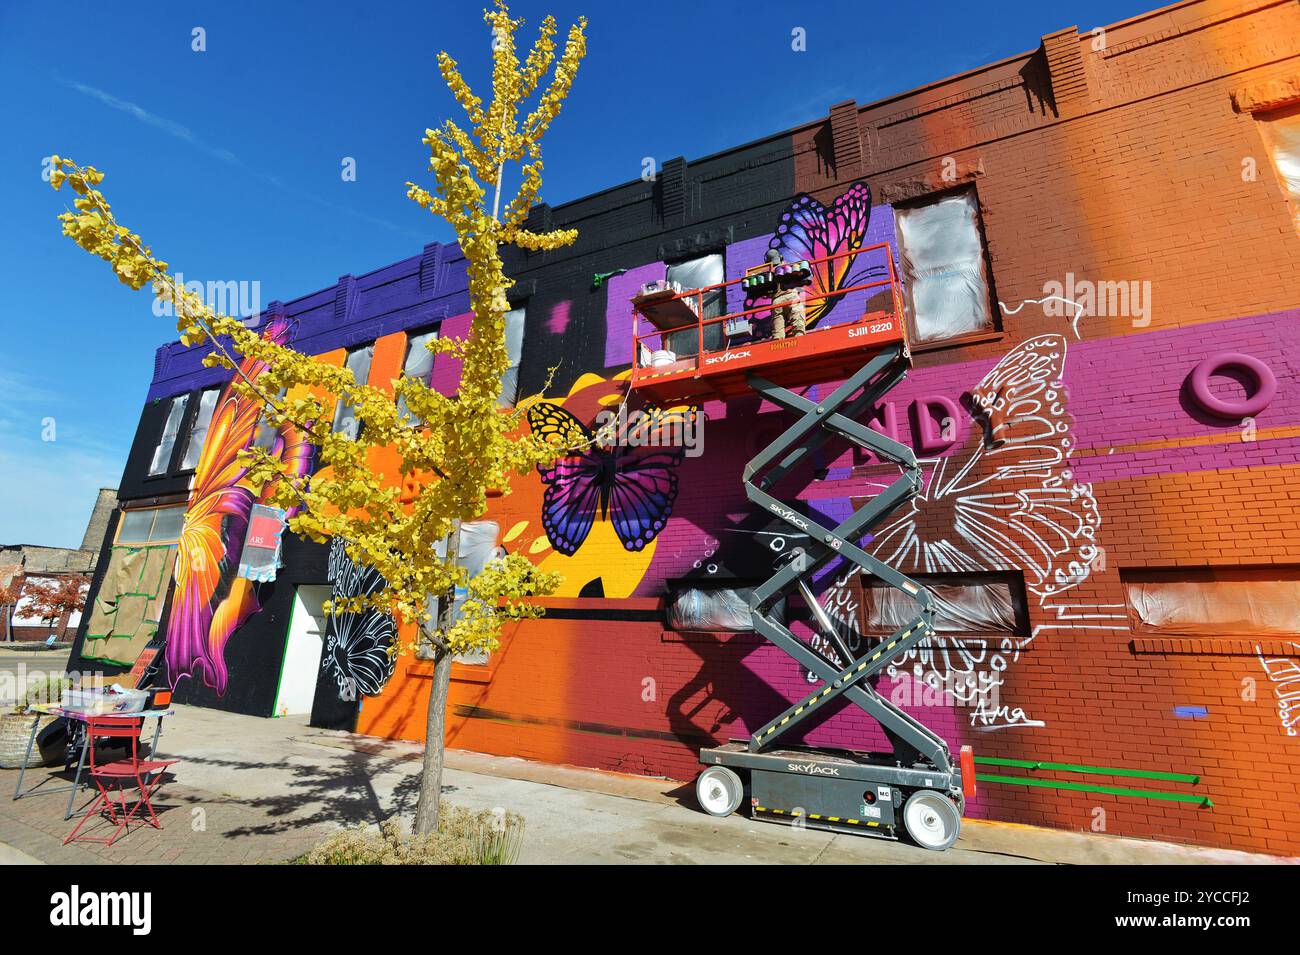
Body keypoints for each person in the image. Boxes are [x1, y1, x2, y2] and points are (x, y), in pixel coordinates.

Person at [765, 248, 806, 339]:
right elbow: (800, 282)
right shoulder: (789, 267)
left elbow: (766, 293)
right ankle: (800, 338)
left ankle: (778, 342)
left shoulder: (768, 273)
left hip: (776, 301)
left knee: (778, 329)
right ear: (780, 257)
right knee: (797, 321)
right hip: (791, 296)